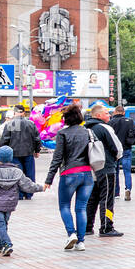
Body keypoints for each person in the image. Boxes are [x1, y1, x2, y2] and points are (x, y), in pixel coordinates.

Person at [43, 106, 95, 251]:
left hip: (69, 174)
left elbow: (57, 158)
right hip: (87, 174)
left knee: (65, 206)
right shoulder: (88, 132)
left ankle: (71, 233)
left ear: (65, 118)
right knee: (81, 208)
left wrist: (49, 179)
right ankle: (81, 241)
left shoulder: (62, 134)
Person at [0, 145, 43, 255]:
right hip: (10, 202)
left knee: (0, 224)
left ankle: (7, 244)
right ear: (11, 157)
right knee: (3, 223)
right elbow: (27, 186)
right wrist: (41, 187)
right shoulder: (17, 172)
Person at [83, 103, 125, 238]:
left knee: (91, 198)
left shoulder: (85, 128)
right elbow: (117, 148)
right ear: (99, 115)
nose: (109, 115)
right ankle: (107, 226)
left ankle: (87, 226)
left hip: (90, 169)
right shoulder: (105, 128)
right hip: (106, 168)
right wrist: (114, 159)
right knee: (107, 198)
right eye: (107, 113)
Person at [0, 105, 42, 200]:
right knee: (29, 174)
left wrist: (2, 154)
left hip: (14, 154)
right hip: (28, 153)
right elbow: (37, 139)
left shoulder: (10, 124)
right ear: (24, 113)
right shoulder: (31, 124)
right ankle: (29, 194)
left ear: (14, 113)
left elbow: (4, 140)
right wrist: (37, 150)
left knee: (17, 174)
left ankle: (20, 194)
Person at [108, 105, 135, 201]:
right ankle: (128, 188)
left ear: (114, 112)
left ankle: (116, 192)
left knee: (115, 171)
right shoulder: (129, 121)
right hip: (126, 149)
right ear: (123, 112)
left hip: (114, 151)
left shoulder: (110, 122)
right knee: (127, 171)